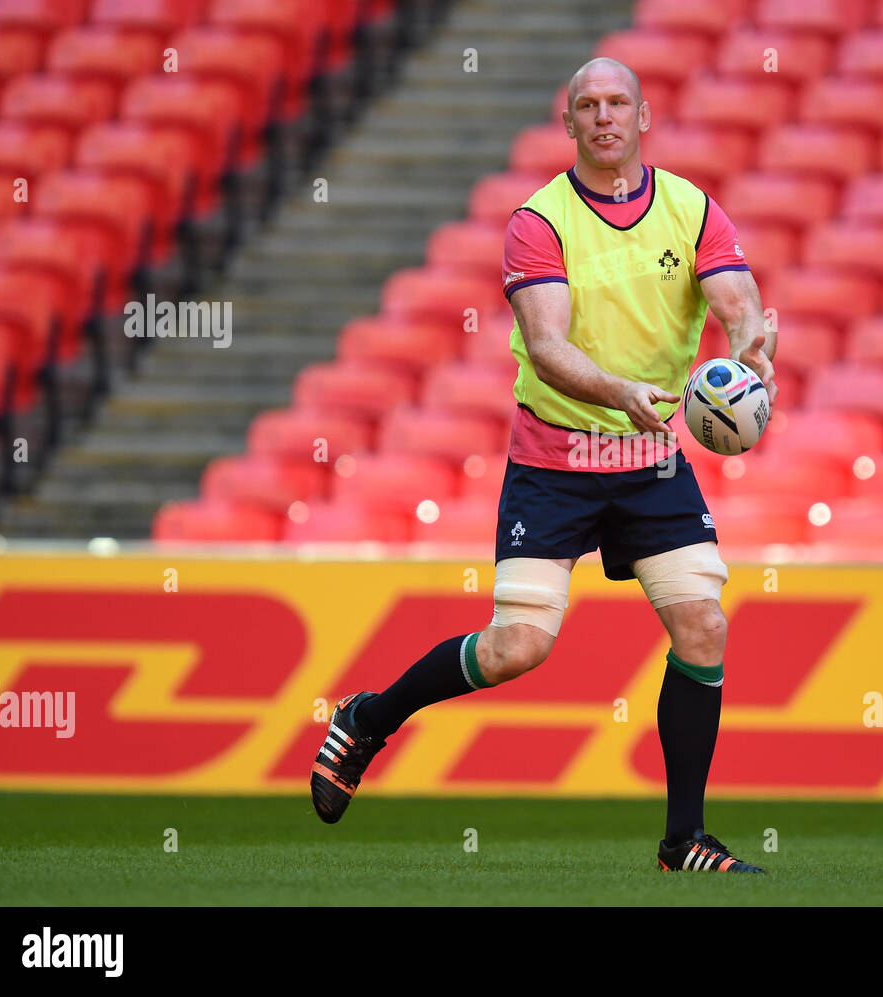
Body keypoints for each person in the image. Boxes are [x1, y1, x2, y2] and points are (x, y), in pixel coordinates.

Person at [311, 56, 778, 874]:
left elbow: (737, 302)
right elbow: (550, 348)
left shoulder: (692, 209)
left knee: (703, 624)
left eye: (618, 103)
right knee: (517, 647)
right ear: (568, 124)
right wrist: (623, 389)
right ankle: (370, 717)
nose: (604, 117)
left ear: (643, 118)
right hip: (557, 458)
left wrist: (750, 349)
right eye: (588, 105)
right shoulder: (539, 221)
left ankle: (684, 842)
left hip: (649, 459)